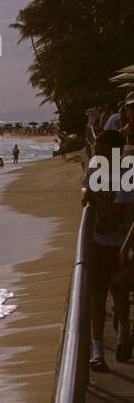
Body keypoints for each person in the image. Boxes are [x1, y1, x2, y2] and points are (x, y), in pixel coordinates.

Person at [82, 130, 134, 370]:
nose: (98, 154)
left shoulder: (127, 171)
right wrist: (87, 195)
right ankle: (97, 351)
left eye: (102, 151)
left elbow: (118, 211)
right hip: (97, 242)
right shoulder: (95, 168)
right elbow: (84, 190)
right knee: (97, 297)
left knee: (120, 292)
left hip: (120, 243)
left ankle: (124, 336)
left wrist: (95, 198)